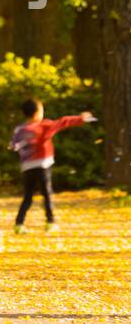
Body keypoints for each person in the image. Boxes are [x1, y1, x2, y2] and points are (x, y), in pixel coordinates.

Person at [11, 99, 96, 232]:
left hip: (27, 167)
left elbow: (14, 145)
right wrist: (81, 119)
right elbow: (62, 122)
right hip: (43, 165)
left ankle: (19, 224)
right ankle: (50, 222)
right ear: (37, 113)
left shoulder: (19, 129)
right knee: (47, 194)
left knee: (27, 196)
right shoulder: (44, 125)